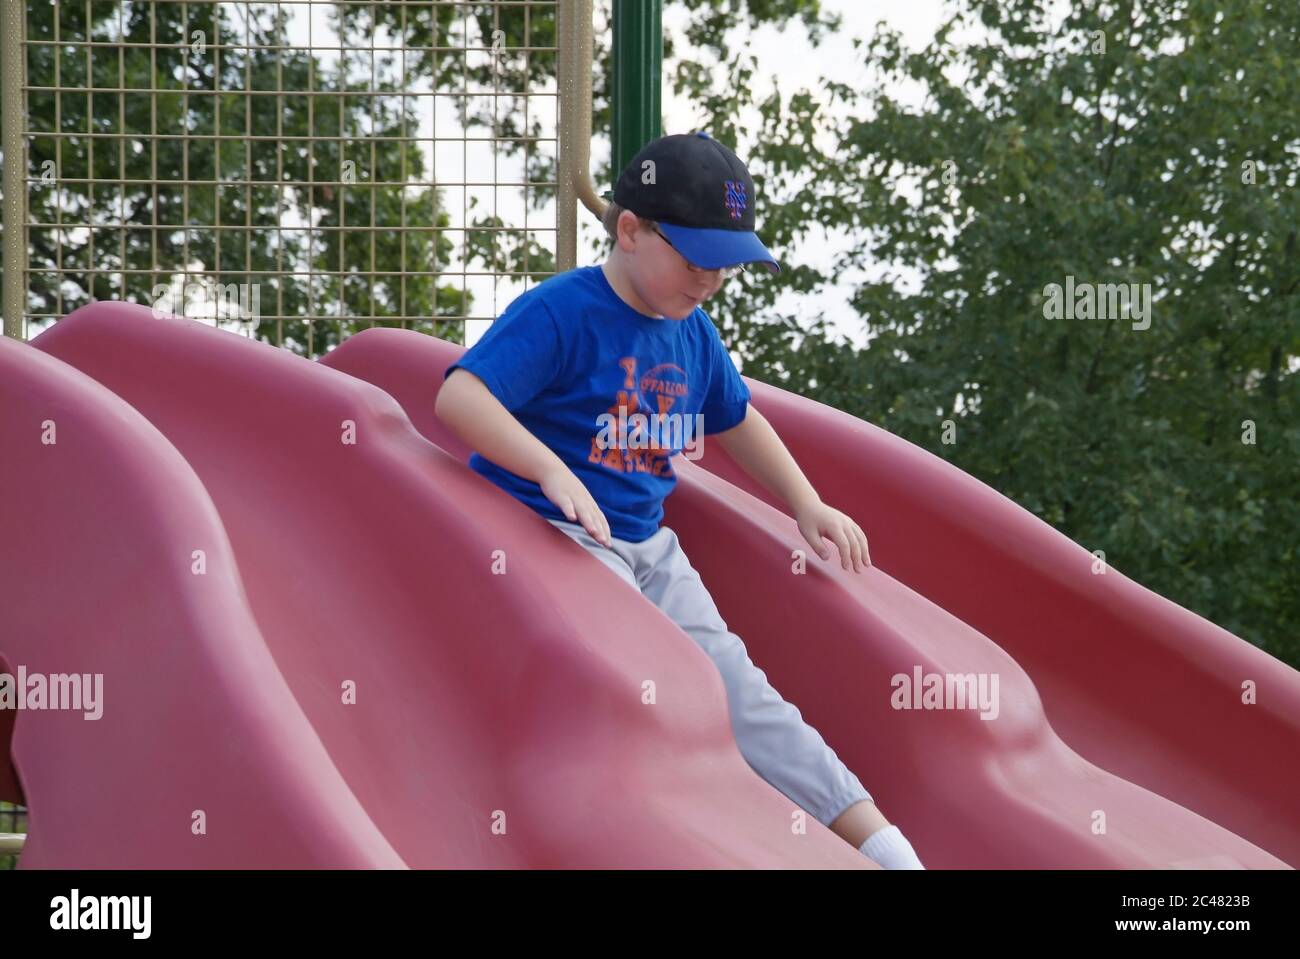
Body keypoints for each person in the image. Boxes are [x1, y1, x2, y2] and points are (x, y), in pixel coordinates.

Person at [436, 131, 924, 869]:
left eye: (724, 268)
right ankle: (652, 834)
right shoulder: (564, 311)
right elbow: (459, 395)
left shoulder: (693, 334)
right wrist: (549, 470)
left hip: (647, 545)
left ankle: (882, 845)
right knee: (641, 675)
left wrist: (806, 502)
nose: (708, 282)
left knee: (738, 687)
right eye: (696, 261)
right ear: (630, 230)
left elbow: (739, 417)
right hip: (546, 535)